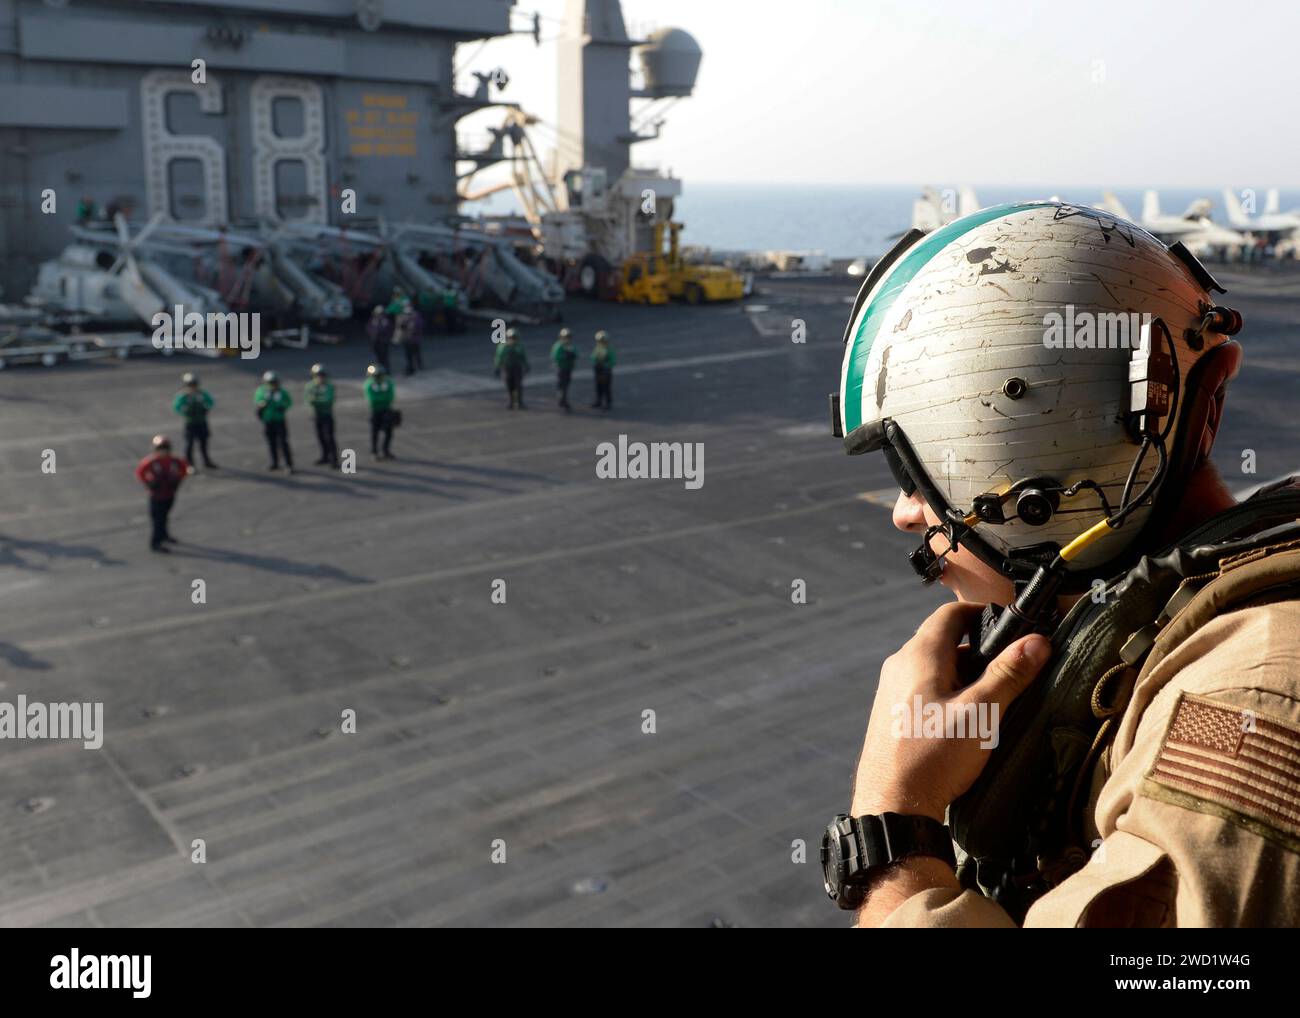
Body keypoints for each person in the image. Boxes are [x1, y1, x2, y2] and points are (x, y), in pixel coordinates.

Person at [821, 200, 1300, 928]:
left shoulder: (1253, 703)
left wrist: (893, 831)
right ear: (1216, 383)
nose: (906, 512)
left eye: (917, 475)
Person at [134, 434, 190, 553]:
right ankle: (155, 542)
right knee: (157, 520)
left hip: (169, 494)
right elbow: (140, 472)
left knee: (165, 517)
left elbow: (185, 469)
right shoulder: (151, 462)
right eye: (160, 450)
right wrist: (148, 483)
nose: (163, 452)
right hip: (156, 496)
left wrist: (178, 480)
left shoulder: (174, 461)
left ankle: (164, 535)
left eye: (165, 449)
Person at [171, 372, 217, 469]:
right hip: (190, 423)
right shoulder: (183, 396)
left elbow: (211, 401)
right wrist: (185, 410)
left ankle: (206, 461)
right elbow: (176, 406)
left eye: (194, 384)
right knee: (189, 444)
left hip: (201, 422)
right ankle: (189, 464)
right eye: (190, 385)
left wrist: (206, 407)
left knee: (203, 443)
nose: (193, 387)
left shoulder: (202, 394)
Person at [254, 370, 294, 473]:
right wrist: (262, 404)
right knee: (271, 442)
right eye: (271, 383)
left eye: (274, 382)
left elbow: (288, 402)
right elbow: (258, 401)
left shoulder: (281, 392)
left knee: (283, 443)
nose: (273, 385)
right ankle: (275, 462)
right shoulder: (262, 391)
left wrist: (282, 407)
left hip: (279, 420)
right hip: (268, 420)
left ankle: (288, 464)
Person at [305, 363, 338, 467]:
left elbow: (328, 400)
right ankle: (325, 456)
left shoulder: (329, 386)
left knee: (329, 437)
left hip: (327, 415)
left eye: (322, 375)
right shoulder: (310, 386)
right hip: (317, 415)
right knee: (320, 437)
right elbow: (308, 399)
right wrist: (318, 401)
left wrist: (316, 401)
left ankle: (334, 459)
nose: (320, 377)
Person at [364, 364, 396, 460]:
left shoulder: (388, 382)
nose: (378, 377)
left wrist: (381, 398)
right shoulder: (369, 384)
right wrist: (383, 398)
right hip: (376, 411)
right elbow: (372, 399)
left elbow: (391, 396)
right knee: (375, 432)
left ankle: (386, 450)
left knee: (389, 432)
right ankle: (374, 451)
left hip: (386, 410)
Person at [494, 327, 529, 410]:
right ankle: (511, 402)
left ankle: (520, 402)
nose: (513, 339)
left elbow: (524, 357)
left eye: (514, 338)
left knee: (518, 385)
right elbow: (499, 357)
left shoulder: (519, 346)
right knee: (509, 386)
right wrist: (497, 367)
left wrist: (526, 365)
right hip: (507, 368)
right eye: (511, 338)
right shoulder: (503, 347)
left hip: (517, 368)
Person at [550, 327, 579, 412]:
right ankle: (562, 401)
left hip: (568, 368)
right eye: (566, 337)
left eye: (569, 337)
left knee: (566, 386)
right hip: (561, 368)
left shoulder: (570, 346)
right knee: (562, 386)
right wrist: (565, 356)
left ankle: (563, 400)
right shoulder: (558, 345)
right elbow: (555, 356)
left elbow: (576, 354)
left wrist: (572, 355)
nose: (567, 339)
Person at [396, 302, 424, 376]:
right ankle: (410, 366)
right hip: (406, 338)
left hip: (414, 338)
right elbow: (399, 326)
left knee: (416, 352)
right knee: (408, 354)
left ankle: (419, 365)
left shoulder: (416, 315)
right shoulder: (402, 316)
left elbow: (420, 324)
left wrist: (413, 325)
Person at [590, 330, 615, 410]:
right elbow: (593, 358)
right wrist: (597, 360)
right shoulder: (598, 348)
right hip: (598, 370)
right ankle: (599, 401)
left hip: (606, 371)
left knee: (606, 388)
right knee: (598, 387)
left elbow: (613, 361)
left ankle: (608, 403)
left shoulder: (609, 349)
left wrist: (606, 363)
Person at [366, 305, 393, 374]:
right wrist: (373, 333)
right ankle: (379, 371)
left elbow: (389, 330)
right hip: (375, 341)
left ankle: (387, 370)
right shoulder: (373, 320)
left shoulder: (385, 321)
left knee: (384, 357)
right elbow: (369, 328)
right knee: (378, 357)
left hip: (383, 341)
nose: (379, 315)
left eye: (380, 313)